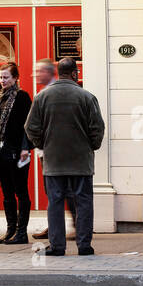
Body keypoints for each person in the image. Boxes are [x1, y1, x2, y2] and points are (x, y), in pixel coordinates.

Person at [25, 56, 104, 256]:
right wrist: (91, 146)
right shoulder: (86, 97)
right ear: (75, 73)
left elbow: (31, 127)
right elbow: (97, 128)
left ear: (58, 72)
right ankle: (84, 245)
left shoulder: (42, 97)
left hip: (54, 161)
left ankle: (58, 246)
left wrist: (43, 144)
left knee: (56, 203)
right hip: (81, 161)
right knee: (84, 202)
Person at [0, 61, 32, 244]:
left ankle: (22, 232)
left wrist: (26, 148)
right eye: (0, 77)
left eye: (6, 77)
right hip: (1, 152)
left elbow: (29, 125)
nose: (2, 80)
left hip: (19, 152)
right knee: (7, 193)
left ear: (15, 78)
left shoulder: (22, 97)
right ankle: (10, 229)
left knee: (21, 191)